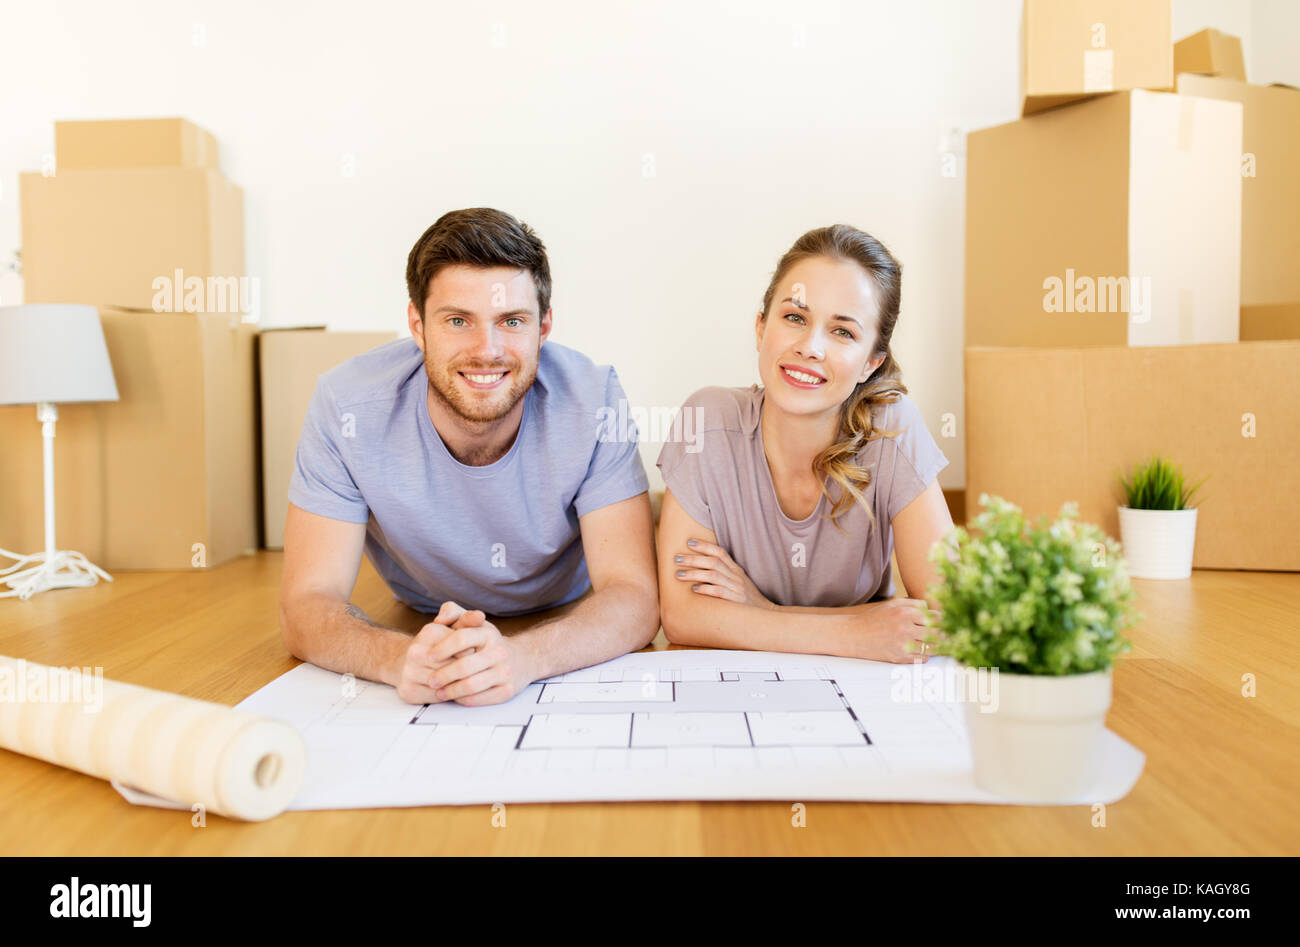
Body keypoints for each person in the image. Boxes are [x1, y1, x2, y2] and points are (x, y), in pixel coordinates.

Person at [280, 208, 658, 705]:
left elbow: (633, 596)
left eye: (512, 321)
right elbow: (307, 602)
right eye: (458, 321)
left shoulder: (595, 399)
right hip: (419, 612)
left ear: (544, 327)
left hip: (560, 612)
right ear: (417, 324)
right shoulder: (346, 405)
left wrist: (523, 659)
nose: (487, 350)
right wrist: (397, 658)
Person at [655, 224, 953, 663]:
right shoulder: (706, 422)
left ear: (872, 362)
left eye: (843, 332)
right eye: (795, 318)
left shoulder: (892, 430)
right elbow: (683, 616)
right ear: (761, 329)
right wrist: (852, 633)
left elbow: (956, 617)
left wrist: (759, 612)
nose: (810, 347)